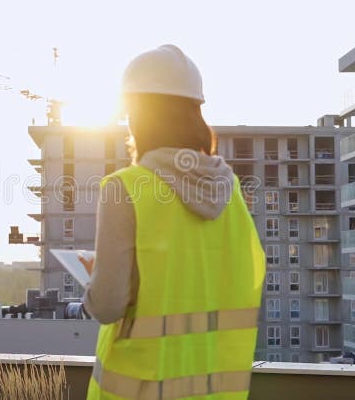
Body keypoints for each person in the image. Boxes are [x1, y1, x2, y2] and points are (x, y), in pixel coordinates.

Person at [80, 44, 266, 399]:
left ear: (137, 115)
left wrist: (95, 280)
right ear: (195, 114)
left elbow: (107, 305)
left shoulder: (124, 189)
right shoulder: (232, 192)